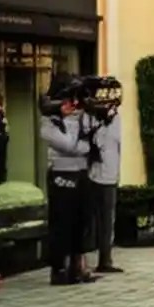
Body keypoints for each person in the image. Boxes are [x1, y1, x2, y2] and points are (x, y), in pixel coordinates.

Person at [39, 77, 95, 286]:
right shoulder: (48, 122)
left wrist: (81, 139)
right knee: (62, 223)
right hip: (60, 175)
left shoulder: (81, 118)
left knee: (81, 222)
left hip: (80, 173)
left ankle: (77, 266)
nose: (73, 105)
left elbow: (89, 146)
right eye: (68, 99)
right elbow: (70, 145)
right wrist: (70, 122)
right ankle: (58, 268)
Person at [87, 104, 124, 274]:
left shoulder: (114, 119)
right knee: (101, 220)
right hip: (96, 175)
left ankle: (105, 258)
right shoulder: (92, 120)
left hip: (107, 175)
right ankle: (98, 258)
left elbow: (117, 144)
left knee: (107, 220)